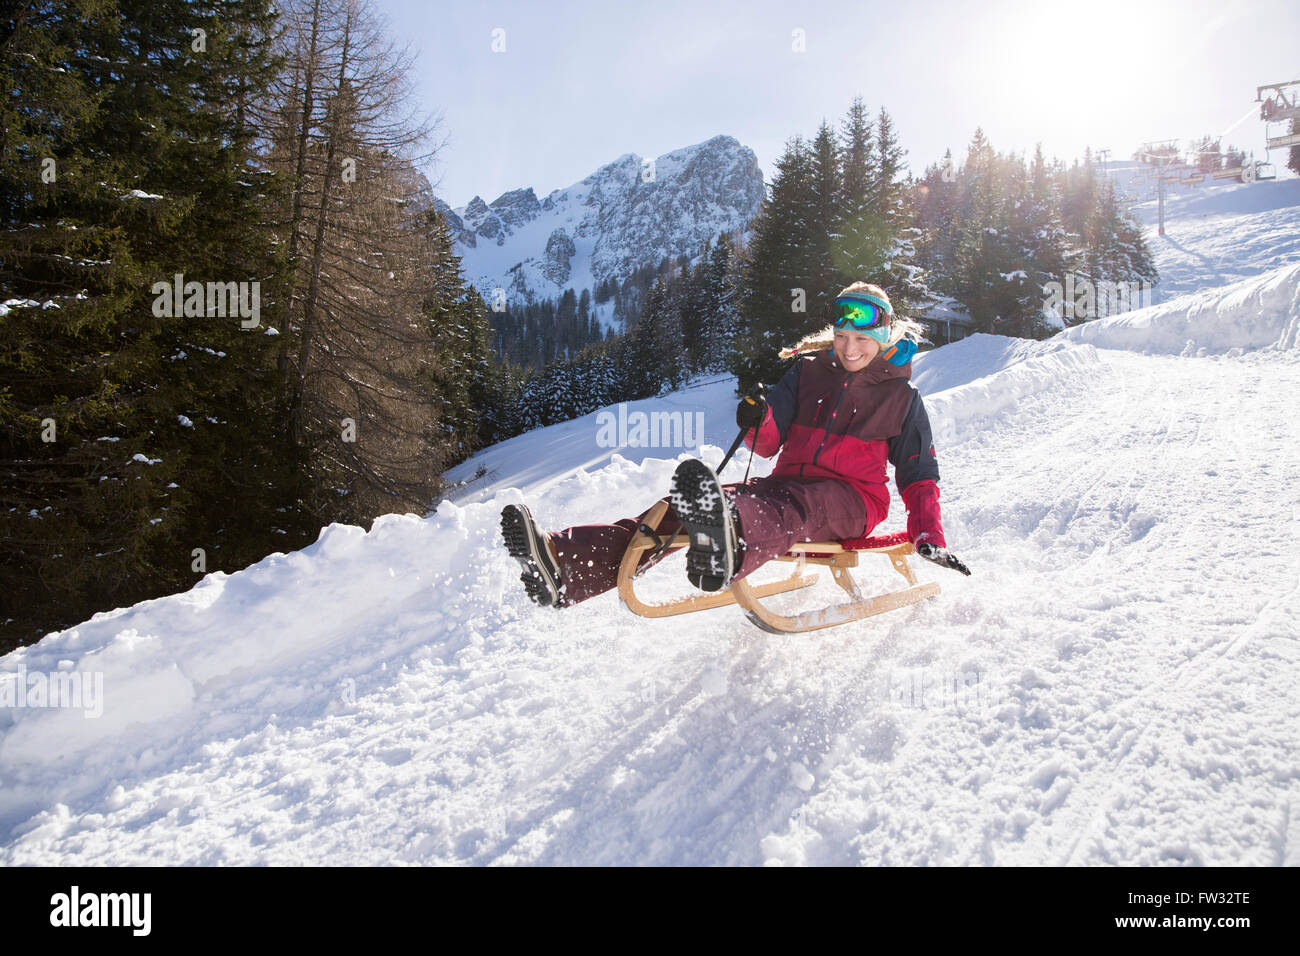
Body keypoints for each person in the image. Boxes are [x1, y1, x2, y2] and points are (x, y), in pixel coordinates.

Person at [499, 282, 970, 610]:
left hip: (852, 501)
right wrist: (756, 415)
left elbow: (919, 474)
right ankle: (565, 565)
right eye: (843, 337)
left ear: (884, 337)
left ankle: (733, 544)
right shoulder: (808, 373)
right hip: (785, 485)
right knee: (686, 505)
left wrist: (929, 534)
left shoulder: (901, 399)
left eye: (862, 339)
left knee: (796, 506)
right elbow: (765, 445)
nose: (849, 349)